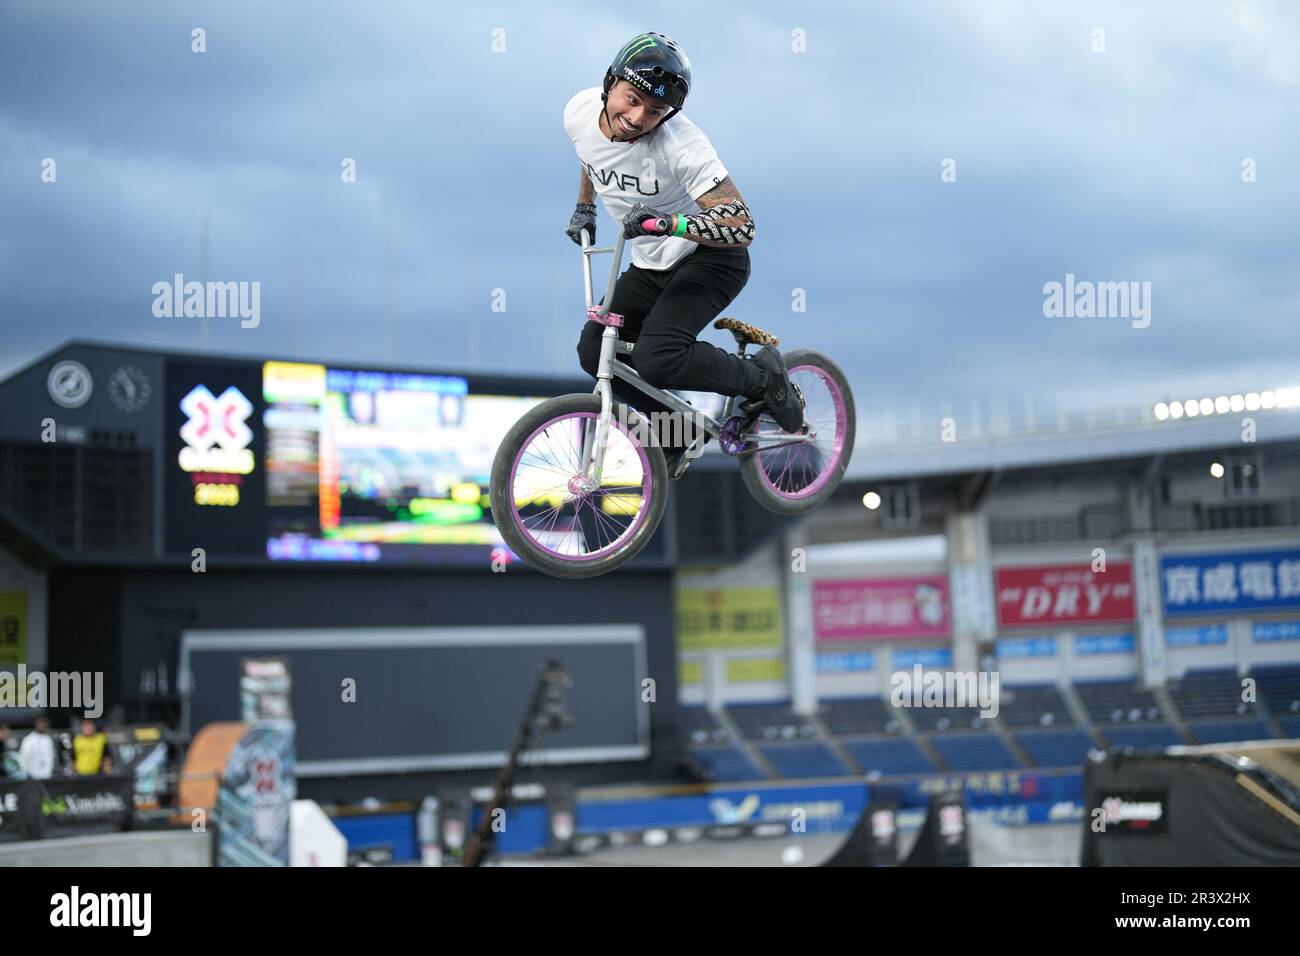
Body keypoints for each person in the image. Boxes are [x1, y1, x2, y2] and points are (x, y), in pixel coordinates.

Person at [566, 32, 804, 479]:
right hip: (651, 260)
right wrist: (584, 206)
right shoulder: (579, 112)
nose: (636, 118)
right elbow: (590, 155)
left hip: (711, 259)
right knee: (593, 349)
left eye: (654, 112)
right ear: (609, 83)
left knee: (659, 355)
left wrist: (671, 222)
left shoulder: (681, 144)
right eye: (631, 100)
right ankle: (679, 433)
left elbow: (741, 225)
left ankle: (764, 378)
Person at [17, 715, 56, 780]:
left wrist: (49, 771)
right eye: (40, 722)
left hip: (47, 776)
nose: (42, 725)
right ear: (36, 724)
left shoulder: (48, 739)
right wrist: (25, 772)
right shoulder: (29, 739)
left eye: (44, 722)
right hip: (32, 776)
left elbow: (50, 757)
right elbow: (23, 756)